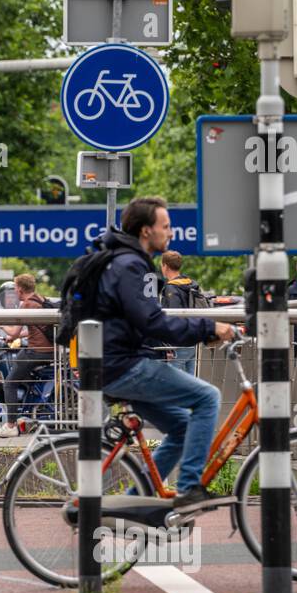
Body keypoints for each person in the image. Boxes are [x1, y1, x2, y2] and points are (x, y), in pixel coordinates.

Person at [94, 197, 236, 509]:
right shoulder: (133, 266)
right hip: (124, 366)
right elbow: (153, 321)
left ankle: (133, 503)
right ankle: (189, 489)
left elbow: (142, 321)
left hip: (113, 363)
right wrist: (208, 329)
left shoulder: (121, 260)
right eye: (165, 226)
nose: (170, 233)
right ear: (147, 231)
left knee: (183, 427)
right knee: (208, 397)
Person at [0, 274, 54, 437]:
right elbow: (34, 330)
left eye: (14, 287)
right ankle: (27, 412)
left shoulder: (26, 305)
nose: (14, 291)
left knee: (9, 383)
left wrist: (0, 325)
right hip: (50, 351)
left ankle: (11, 425)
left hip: (37, 352)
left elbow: (13, 332)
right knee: (20, 367)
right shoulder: (40, 300)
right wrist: (17, 336)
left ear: (20, 289)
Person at [158, 251, 204, 375]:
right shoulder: (191, 284)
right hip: (193, 339)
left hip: (179, 343)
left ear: (165, 266)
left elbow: (173, 315)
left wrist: (167, 344)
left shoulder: (171, 288)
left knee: (174, 381)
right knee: (191, 381)